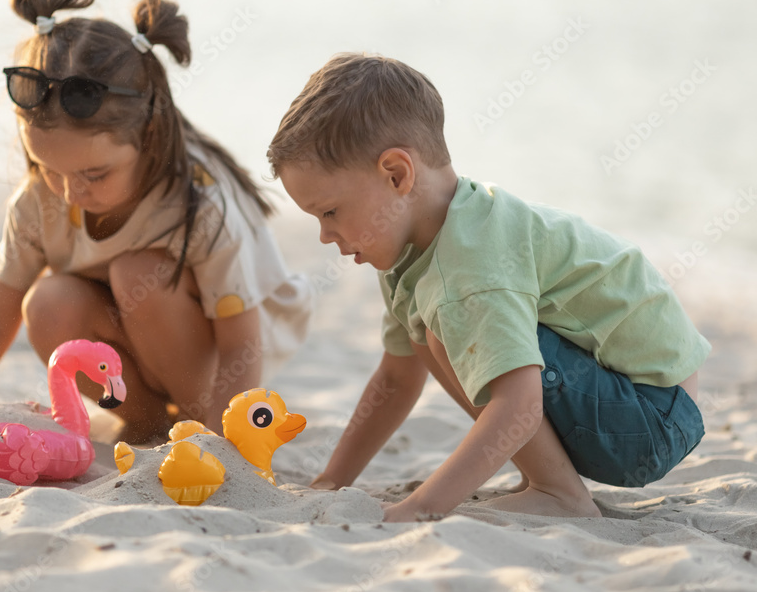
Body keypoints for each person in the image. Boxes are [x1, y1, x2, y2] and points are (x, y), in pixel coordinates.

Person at [0, 0, 311, 454]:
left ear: (148, 135)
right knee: (46, 302)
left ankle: (196, 419)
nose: (72, 191)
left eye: (95, 173)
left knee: (138, 272)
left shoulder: (198, 205)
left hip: (230, 341)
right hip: (132, 326)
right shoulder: (38, 202)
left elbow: (241, 345)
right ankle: (147, 419)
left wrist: (221, 446)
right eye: (50, 169)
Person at [267, 52, 709, 520]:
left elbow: (519, 404)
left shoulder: (471, 258)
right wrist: (332, 481)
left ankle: (558, 492)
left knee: (445, 325)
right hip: (620, 395)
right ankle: (545, 477)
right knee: (428, 329)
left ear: (396, 174)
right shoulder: (411, 256)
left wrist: (421, 507)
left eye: (330, 212)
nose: (324, 234)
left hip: (653, 415)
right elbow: (397, 381)